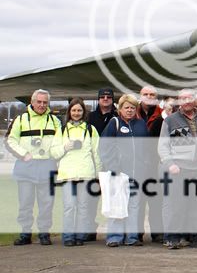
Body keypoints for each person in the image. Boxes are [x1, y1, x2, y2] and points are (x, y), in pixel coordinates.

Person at [158, 89, 197, 249]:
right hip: (178, 169)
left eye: (189, 98)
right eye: (183, 99)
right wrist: (170, 164)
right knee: (176, 205)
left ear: (195, 100)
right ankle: (172, 238)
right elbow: (162, 146)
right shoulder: (170, 120)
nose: (186, 101)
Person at [5, 89, 61, 246]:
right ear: (32, 101)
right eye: (39, 102)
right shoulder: (21, 119)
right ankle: (25, 233)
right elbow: (10, 141)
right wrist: (24, 154)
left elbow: (59, 142)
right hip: (26, 167)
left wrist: (54, 155)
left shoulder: (54, 121)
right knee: (25, 203)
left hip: (47, 165)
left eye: (45, 102)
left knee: (47, 203)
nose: (42, 105)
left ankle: (44, 233)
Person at [99, 93, 149, 247]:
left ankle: (132, 237)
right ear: (120, 109)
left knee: (134, 206)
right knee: (117, 205)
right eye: (126, 107)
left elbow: (147, 148)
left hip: (137, 174)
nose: (129, 110)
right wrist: (113, 167)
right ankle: (114, 237)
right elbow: (104, 148)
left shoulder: (141, 125)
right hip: (118, 174)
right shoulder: (114, 123)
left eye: (132, 108)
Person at [51, 98, 100, 247]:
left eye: (79, 110)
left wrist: (98, 174)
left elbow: (96, 153)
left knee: (83, 207)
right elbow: (53, 152)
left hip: (86, 173)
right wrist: (65, 147)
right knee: (69, 206)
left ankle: (80, 236)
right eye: (74, 110)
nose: (76, 113)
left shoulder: (91, 130)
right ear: (69, 112)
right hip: (68, 174)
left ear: (83, 112)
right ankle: (68, 236)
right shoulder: (62, 130)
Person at [135, 85, 165, 243]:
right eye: (145, 94)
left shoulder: (162, 115)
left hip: (155, 164)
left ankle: (158, 233)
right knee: (138, 201)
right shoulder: (133, 113)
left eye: (152, 94)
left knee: (156, 201)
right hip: (138, 164)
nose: (148, 96)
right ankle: (137, 233)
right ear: (140, 96)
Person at [87, 87, 117, 240]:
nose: (105, 99)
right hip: (94, 164)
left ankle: (114, 232)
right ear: (98, 99)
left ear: (112, 99)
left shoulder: (118, 116)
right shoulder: (90, 117)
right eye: (103, 97)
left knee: (113, 200)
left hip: (112, 163)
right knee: (91, 200)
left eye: (108, 97)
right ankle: (89, 231)